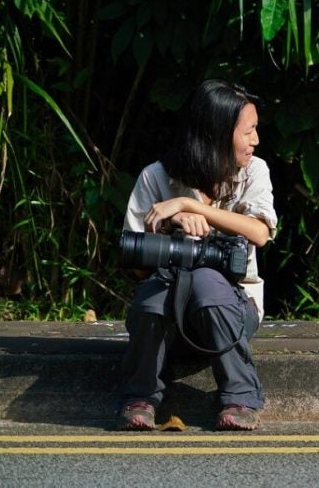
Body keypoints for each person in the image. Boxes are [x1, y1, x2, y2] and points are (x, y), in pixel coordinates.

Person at [117, 79, 277, 431]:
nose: (256, 140)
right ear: (218, 133)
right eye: (248, 131)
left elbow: (260, 233)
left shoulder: (253, 171)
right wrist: (170, 226)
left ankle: (240, 399)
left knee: (206, 279)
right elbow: (136, 272)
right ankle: (140, 399)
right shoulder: (156, 178)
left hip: (232, 313)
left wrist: (193, 207)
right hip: (168, 317)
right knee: (158, 288)